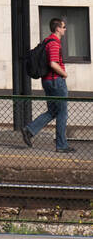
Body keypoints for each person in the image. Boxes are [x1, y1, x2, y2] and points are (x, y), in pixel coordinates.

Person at [22, 17, 75, 153]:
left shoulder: (46, 41)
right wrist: (64, 74)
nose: (65, 29)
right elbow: (53, 63)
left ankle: (30, 130)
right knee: (62, 113)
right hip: (56, 81)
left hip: (47, 81)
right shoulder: (54, 43)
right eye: (63, 27)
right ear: (57, 28)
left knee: (53, 111)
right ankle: (61, 145)